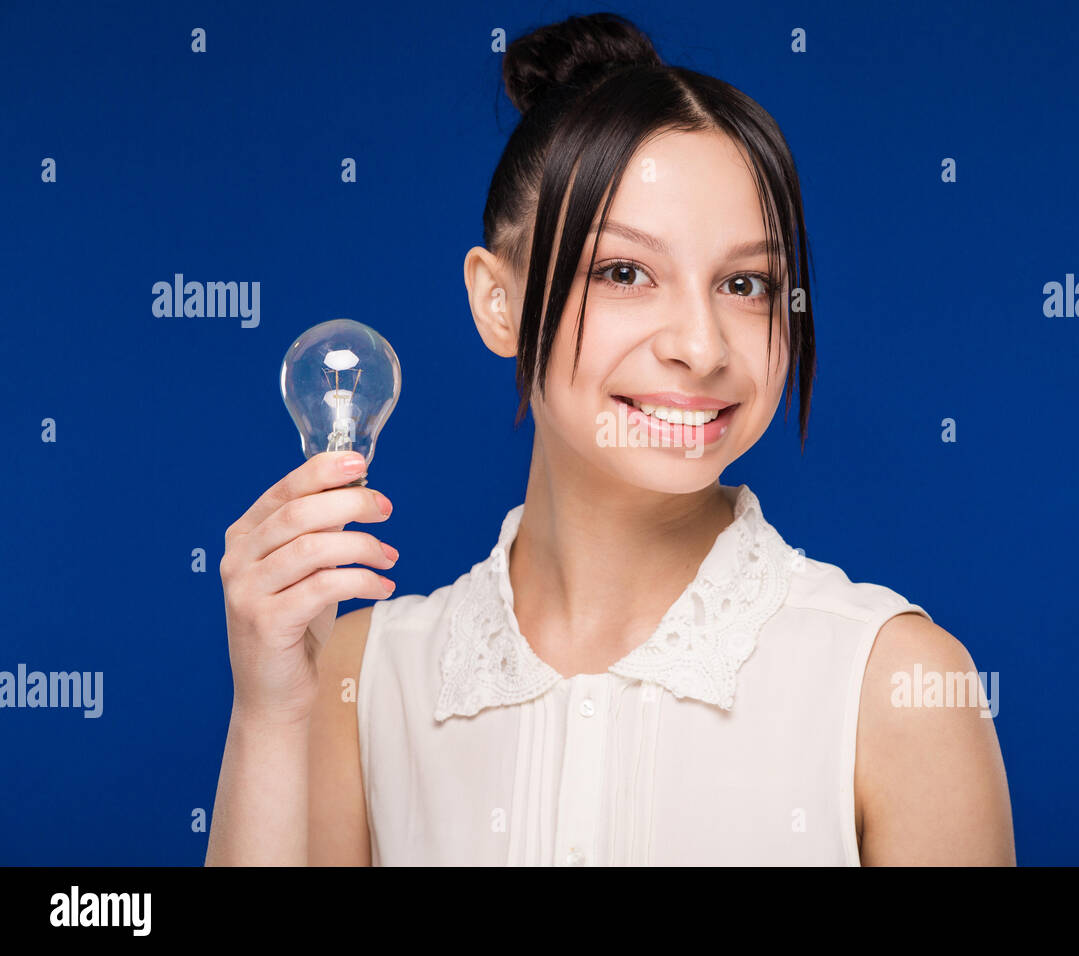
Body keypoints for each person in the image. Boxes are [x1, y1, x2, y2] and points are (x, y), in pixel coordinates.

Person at [206, 12, 1015, 866]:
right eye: (625, 272)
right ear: (499, 300)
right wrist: (269, 714)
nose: (700, 346)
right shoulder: (363, 677)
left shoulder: (895, 683)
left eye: (746, 283)